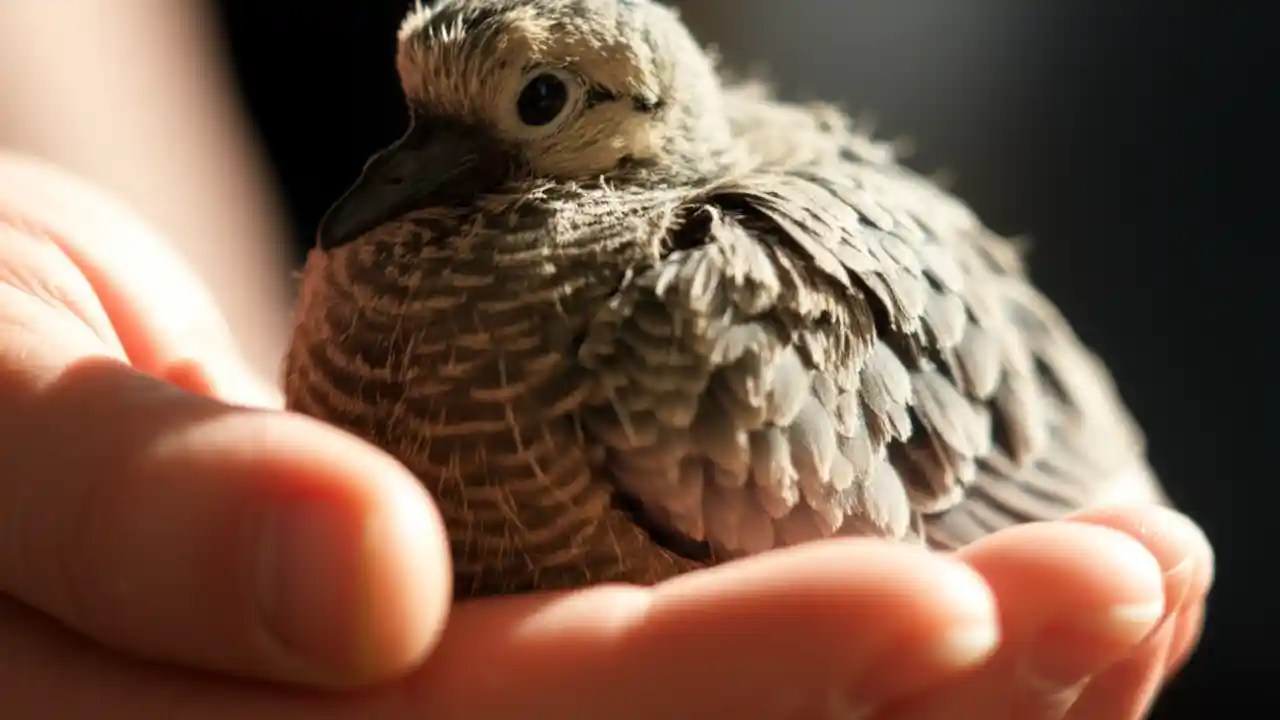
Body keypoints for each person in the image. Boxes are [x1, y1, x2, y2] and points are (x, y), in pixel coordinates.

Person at [0, 3, 1213, 718]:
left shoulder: (685, 303)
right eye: (422, 113)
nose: (404, 173)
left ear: (628, 111)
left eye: (533, 105)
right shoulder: (386, 255)